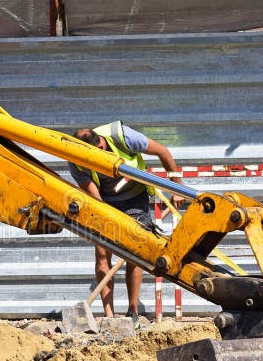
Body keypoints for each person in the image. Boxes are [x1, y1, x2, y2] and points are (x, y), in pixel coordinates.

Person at [69, 121, 186, 327]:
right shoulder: (75, 156)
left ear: (102, 145)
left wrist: (177, 188)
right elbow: (94, 196)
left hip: (134, 197)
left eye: (99, 154)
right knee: (103, 252)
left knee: (135, 252)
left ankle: (132, 311)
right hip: (104, 200)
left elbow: (163, 152)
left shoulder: (122, 136)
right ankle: (109, 315)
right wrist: (107, 218)